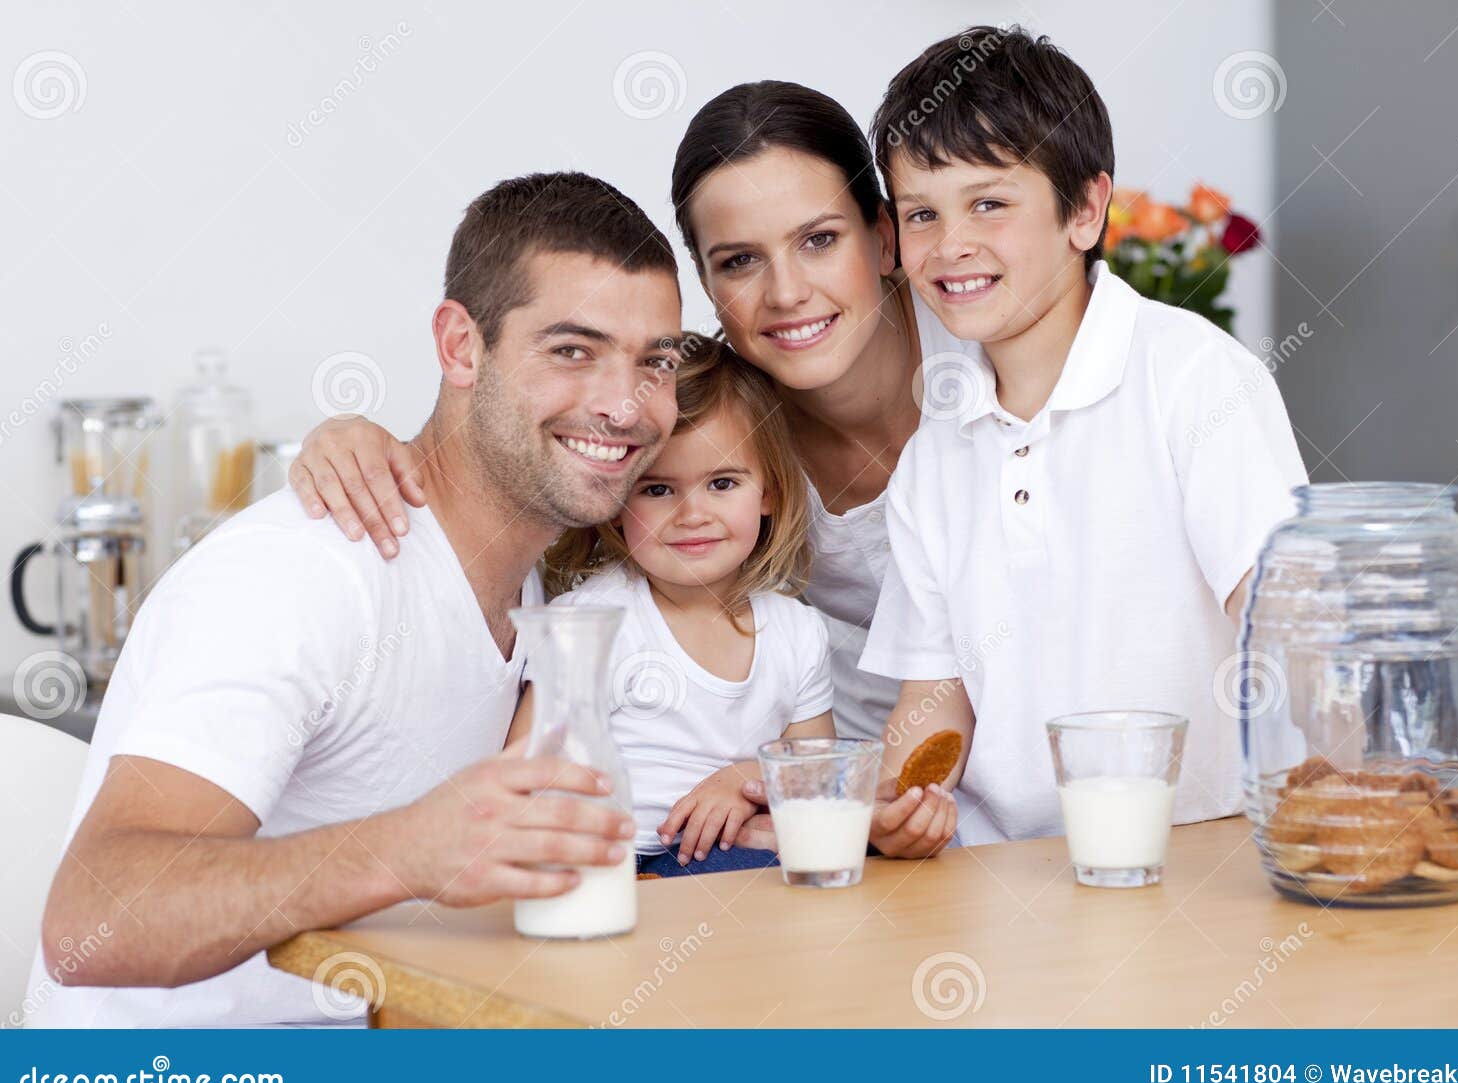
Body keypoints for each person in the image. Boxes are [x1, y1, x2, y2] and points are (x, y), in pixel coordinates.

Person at [856, 25, 1458, 849]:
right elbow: (936, 690)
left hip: (1201, 851)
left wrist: (1395, 779)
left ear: (1086, 210)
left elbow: (1288, 621)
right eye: (921, 213)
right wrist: (896, 801)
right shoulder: (932, 451)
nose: (952, 245)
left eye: (989, 202)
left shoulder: (1190, 374)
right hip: (1007, 871)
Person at [25, 171, 682, 1027]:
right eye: (571, 350)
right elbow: (91, 923)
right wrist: (409, 848)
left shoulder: (539, 571)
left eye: (656, 362)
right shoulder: (303, 574)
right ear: (460, 347)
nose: (624, 405)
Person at [288, 80, 974, 858]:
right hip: (814, 826)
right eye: (738, 260)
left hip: (896, 803)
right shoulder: (699, 408)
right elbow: (525, 430)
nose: (786, 292)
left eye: (820, 239)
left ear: (883, 238)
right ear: (705, 284)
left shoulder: (983, 363)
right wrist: (357, 436)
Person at [517, 336, 835, 875]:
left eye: (723, 483)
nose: (692, 514)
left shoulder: (798, 632)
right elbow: (525, 781)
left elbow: (817, 786)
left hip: (749, 851)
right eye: (658, 490)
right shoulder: (591, 625)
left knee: (857, 850)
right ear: (614, 500)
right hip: (636, 864)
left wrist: (746, 778)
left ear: (770, 492)